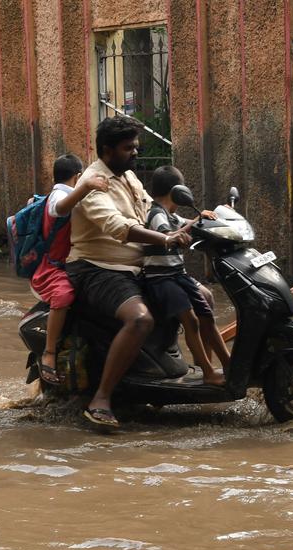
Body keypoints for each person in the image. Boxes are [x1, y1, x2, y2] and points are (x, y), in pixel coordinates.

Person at [64, 116, 192, 428]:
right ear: (107, 150)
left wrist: (192, 223)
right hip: (98, 269)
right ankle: (102, 399)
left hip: (137, 266)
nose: (135, 153)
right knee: (140, 319)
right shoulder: (92, 183)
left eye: (135, 147)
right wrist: (164, 239)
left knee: (198, 296)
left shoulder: (129, 177)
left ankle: (166, 370)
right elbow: (117, 226)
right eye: (127, 148)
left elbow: (150, 211)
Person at [142, 166, 231, 384]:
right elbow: (166, 235)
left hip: (177, 275)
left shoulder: (171, 215)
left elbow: (188, 225)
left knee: (207, 316)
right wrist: (184, 230)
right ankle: (208, 372)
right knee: (191, 321)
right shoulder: (156, 214)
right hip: (161, 279)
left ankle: (229, 364)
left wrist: (205, 217)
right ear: (177, 192)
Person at [29, 154, 110, 384]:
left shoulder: (70, 193)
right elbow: (59, 209)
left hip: (77, 262)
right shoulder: (60, 195)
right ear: (77, 176)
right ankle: (50, 353)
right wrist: (85, 187)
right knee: (64, 296)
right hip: (54, 268)